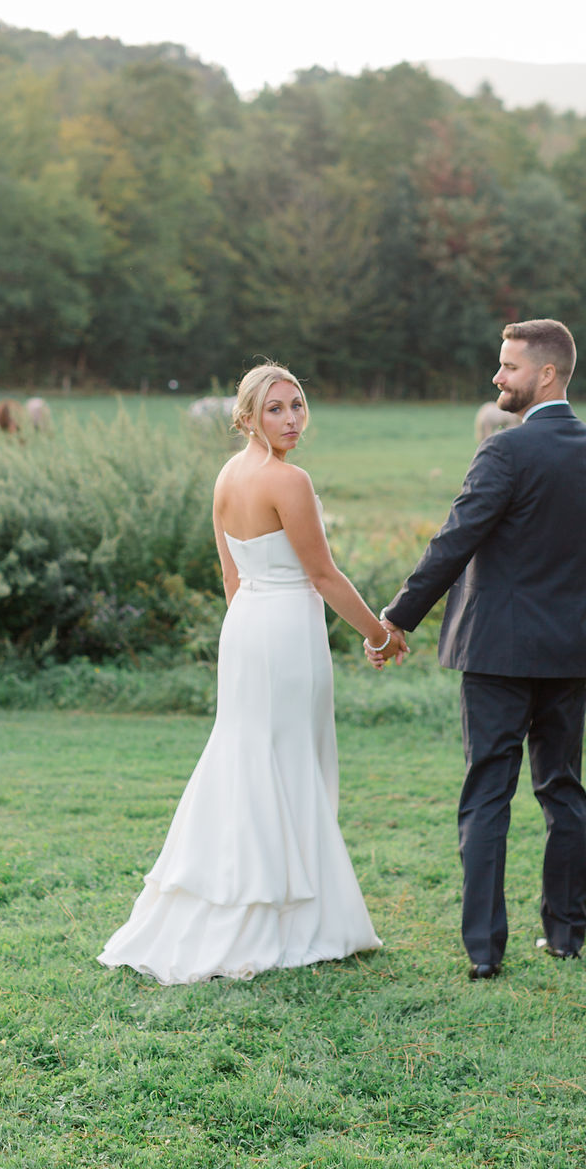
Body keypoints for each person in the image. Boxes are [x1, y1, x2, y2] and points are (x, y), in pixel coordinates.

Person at [99, 362, 403, 984]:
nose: (291, 419)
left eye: (296, 406)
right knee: (284, 758)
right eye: (275, 409)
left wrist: (253, 632)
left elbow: (232, 579)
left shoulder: (226, 476)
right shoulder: (287, 480)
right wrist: (379, 633)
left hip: (246, 630)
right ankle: (283, 916)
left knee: (247, 755)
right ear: (246, 417)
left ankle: (254, 893)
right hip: (287, 629)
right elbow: (324, 576)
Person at [376, 320, 586, 980]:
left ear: (547, 374)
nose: (498, 377)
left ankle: (486, 953)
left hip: (496, 653)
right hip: (572, 649)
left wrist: (397, 618)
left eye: (509, 366)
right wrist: (580, 626)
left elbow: (452, 543)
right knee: (563, 789)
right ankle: (566, 937)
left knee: (488, 792)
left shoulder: (505, 453)